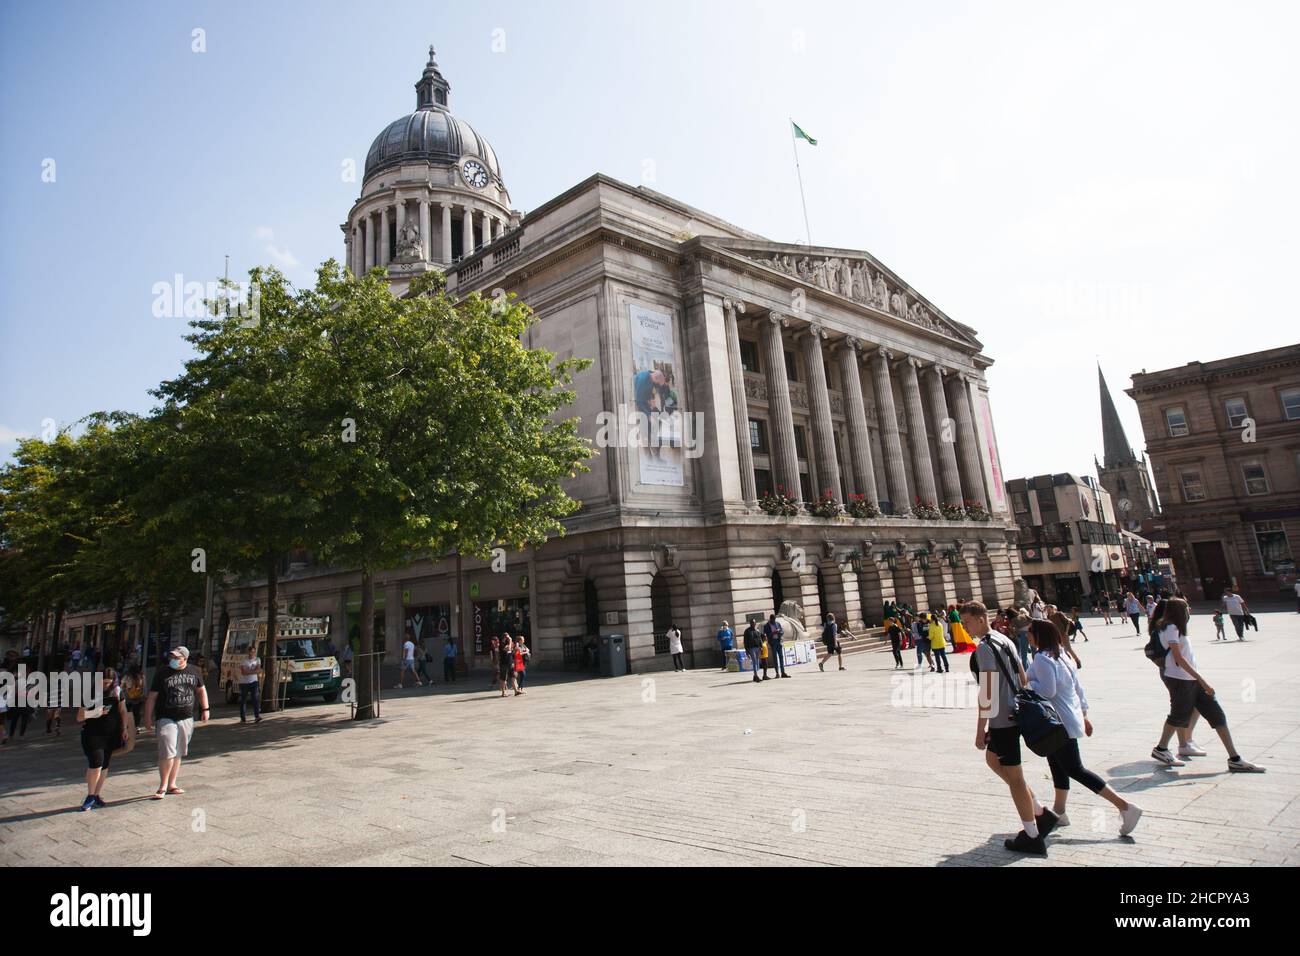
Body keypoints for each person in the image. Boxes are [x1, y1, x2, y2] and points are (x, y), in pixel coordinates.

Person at [1025, 621, 1143, 836]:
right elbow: (1077, 687)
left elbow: (1048, 691)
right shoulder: (1062, 654)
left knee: (1074, 769)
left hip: (1058, 722)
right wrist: (1085, 715)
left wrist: (1026, 682)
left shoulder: (1042, 659)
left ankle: (1125, 807)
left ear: (1039, 635)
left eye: (1030, 633)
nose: (1027, 636)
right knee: (1057, 765)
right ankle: (1059, 811)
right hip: (1069, 717)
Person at [961, 600, 1055, 856]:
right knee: (993, 760)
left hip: (1003, 720)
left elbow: (987, 691)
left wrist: (981, 729)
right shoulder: (1006, 640)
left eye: (967, 621)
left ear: (981, 619)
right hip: (1015, 712)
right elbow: (1023, 677)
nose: (965, 627)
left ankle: (1033, 834)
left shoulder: (983, 648)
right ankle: (1038, 810)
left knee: (1015, 778)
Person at [1150, 598, 1264, 773]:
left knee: (1216, 714)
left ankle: (1235, 758)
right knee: (1178, 715)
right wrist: (1202, 680)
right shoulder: (1171, 627)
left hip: (1190, 678)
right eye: (1186, 607)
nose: (1189, 609)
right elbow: (1179, 659)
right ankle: (1161, 748)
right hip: (1180, 678)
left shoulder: (1172, 627)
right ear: (1179, 610)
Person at [144, 645, 209, 800]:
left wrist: (205, 709)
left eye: (177, 658)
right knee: (167, 749)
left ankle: (172, 784)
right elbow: (152, 696)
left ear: (185, 659)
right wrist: (147, 717)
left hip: (186, 717)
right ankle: (162, 786)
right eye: (171, 657)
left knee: (178, 751)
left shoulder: (194, 671)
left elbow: (201, 690)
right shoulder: (162, 673)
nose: (173, 660)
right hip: (166, 716)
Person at [76, 668, 128, 811]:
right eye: (103, 682)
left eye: (108, 683)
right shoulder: (89, 693)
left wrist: (124, 728)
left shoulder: (117, 692)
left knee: (105, 765)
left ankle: (97, 794)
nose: (106, 685)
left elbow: (123, 711)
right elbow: (79, 716)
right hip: (92, 734)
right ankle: (90, 795)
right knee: (96, 764)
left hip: (111, 734)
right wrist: (96, 712)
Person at [238, 642, 262, 724]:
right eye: (251, 652)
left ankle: (257, 716)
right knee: (243, 700)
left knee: (255, 699)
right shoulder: (244, 661)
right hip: (244, 682)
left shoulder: (257, 659)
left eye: (254, 652)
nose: (252, 653)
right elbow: (243, 672)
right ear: (248, 652)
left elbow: (259, 670)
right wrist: (253, 671)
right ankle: (243, 718)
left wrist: (250, 671)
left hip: (254, 681)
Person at [763, 614, 789, 678]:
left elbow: (782, 631)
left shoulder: (777, 623)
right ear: (770, 619)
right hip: (773, 642)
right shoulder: (767, 626)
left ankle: (783, 672)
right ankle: (777, 673)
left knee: (781, 657)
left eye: (775, 619)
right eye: (773, 619)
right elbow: (766, 634)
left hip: (778, 641)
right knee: (775, 658)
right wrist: (773, 633)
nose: (774, 621)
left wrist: (780, 632)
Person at [498, 633, 518, 698]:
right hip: (504, 663)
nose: (508, 638)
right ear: (504, 638)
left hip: (510, 662)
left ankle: (516, 691)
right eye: (507, 637)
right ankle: (503, 692)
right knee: (504, 678)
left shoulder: (509, 643)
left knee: (513, 676)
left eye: (509, 637)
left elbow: (512, 652)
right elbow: (508, 649)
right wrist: (510, 642)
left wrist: (515, 649)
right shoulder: (501, 644)